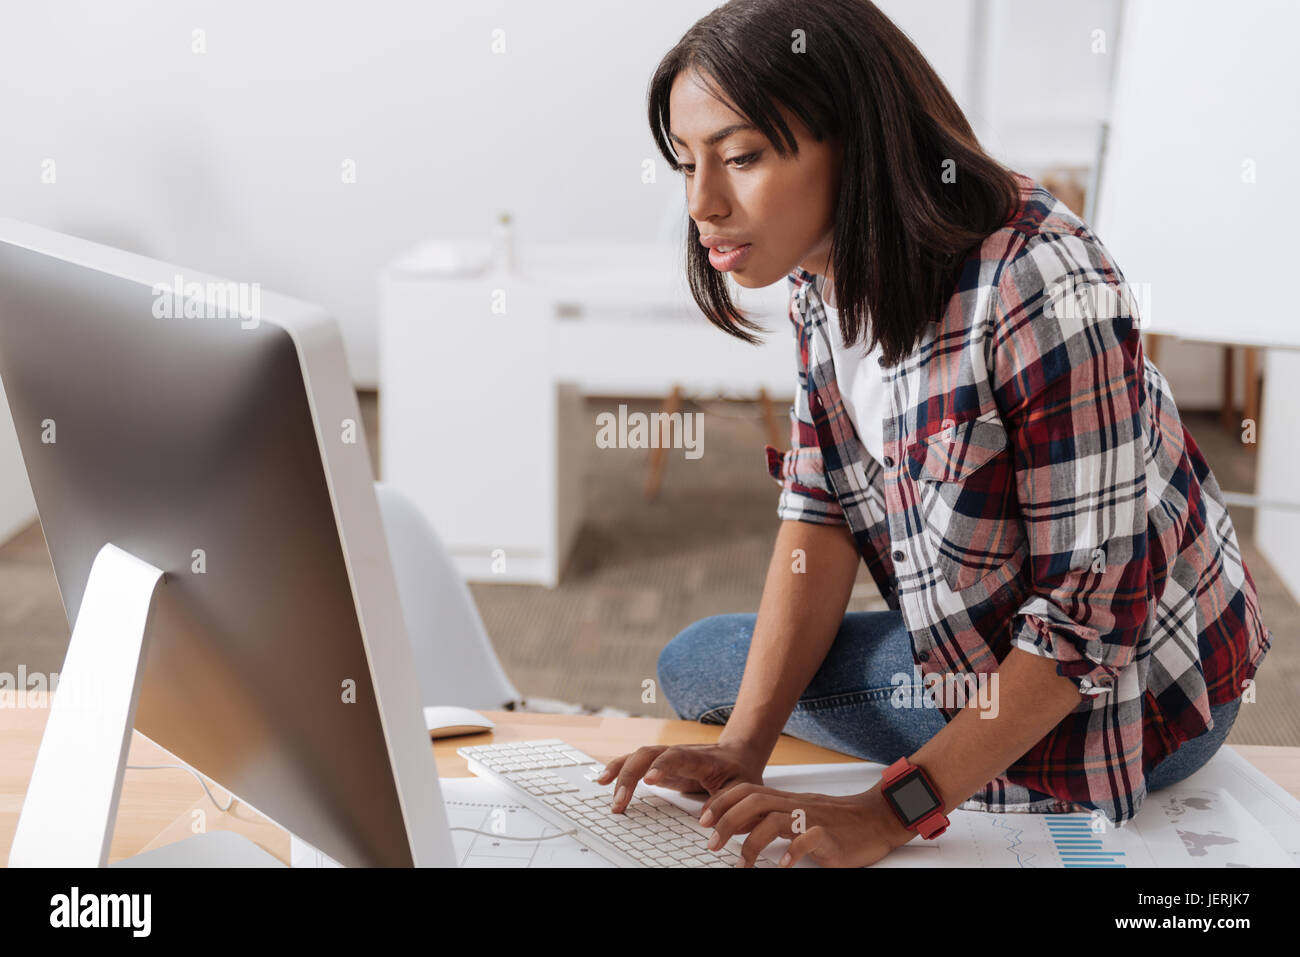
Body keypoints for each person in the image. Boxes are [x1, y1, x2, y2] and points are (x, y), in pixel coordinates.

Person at [598, 0, 1272, 868]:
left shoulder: (1040, 279)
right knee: (700, 670)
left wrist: (888, 813)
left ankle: (993, 764)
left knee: (701, 666)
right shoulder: (821, 274)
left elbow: (1086, 624)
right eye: (686, 163)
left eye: (740, 157)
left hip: (1135, 701)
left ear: (857, 137)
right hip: (983, 644)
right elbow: (822, 512)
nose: (703, 202)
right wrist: (741, 752)